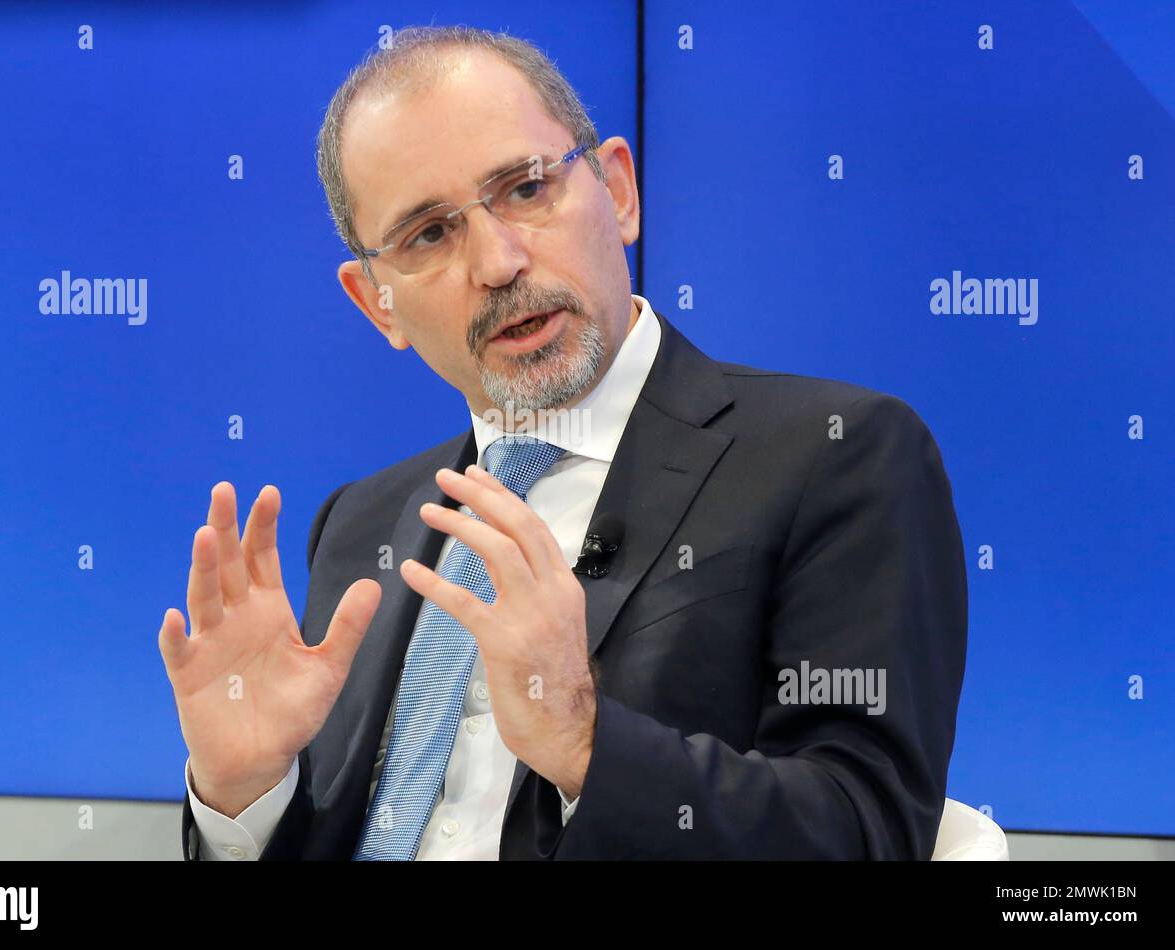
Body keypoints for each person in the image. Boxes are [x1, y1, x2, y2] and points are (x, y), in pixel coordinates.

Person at [157, 25, 967, 860]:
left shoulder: (836, 457)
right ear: (377, 305)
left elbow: (868, 828)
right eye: (429, 234)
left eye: (526, 188)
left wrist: (583, 742)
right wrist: (243, 794)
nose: (500, 261)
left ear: (617, 190)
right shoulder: (360, 527)